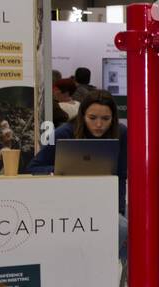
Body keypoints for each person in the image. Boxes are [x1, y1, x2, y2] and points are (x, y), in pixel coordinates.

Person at [29, 90, 128, 259]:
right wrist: (58, 170)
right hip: (67, 204)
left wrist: (116, 209)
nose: (99, 125)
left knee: (122, 227)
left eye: (105, 119)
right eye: (92, 118)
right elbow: (33, 167)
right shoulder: (64, 133)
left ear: (113, 118)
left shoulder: (121, 133)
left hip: (104, 202)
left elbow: (120, 175)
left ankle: (115, 271)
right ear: (82, 116)